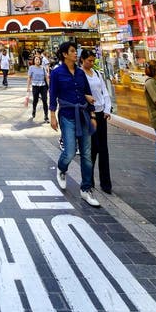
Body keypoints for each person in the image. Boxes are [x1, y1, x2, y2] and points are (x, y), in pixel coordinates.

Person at [49, 41, 99, 207]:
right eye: (72, 51)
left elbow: (87, 93)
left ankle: (86, 189)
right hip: (67, 115)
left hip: (83, 115)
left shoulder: (80, 73)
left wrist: (92, 114)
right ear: (64, 54)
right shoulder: (57, 73)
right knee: (69, 151)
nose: (75, 53)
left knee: (86, 153)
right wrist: (52, 115)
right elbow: (53, 94)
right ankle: (62, 168)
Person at [80, 48, 113, 193]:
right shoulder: (79, 74)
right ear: (83, 60)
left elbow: (104, 92)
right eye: (89, 61)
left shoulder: (98, 73)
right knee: (92, 148)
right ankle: (89, 180)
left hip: (101, 114)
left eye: (93, 60)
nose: (92, 63)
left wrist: (107, 109)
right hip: (88, 114)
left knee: (103, 149)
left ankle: (106, 184)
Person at [26, 54, 49, 121]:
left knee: (45, 100)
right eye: (36, 59)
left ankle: (46, 116)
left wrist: (49, 86)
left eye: (39, 59)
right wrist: (28, 87)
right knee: (35, 100)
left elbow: (46, 77)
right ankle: (34, 110)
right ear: (34, 61)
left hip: (43, 86)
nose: (38, 61)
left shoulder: (43, 68)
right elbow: (29, 78)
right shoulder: (31, 68)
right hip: (35, 86)